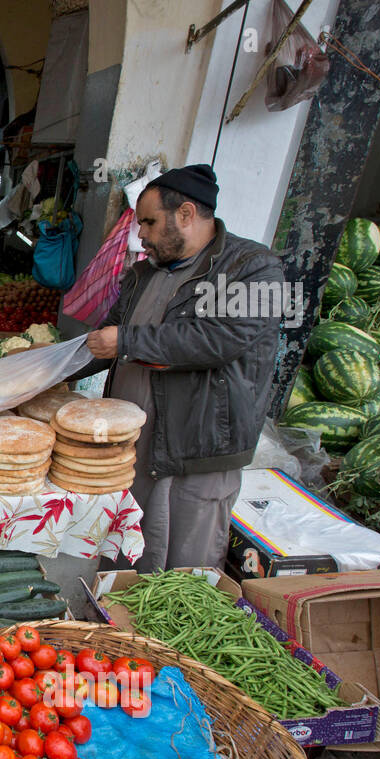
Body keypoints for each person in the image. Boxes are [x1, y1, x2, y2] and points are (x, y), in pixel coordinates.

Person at [76, 164, 285, 571]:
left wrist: (126, 340)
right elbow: (103, 342)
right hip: (134, 450)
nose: (142, 235)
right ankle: (113, 633)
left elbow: (218, 339)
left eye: (150, 222)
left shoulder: (253, 268)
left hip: (196, 454)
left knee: (183, 573)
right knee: (126, 559)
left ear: (187, 214)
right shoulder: (143, 274)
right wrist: (40, 368)